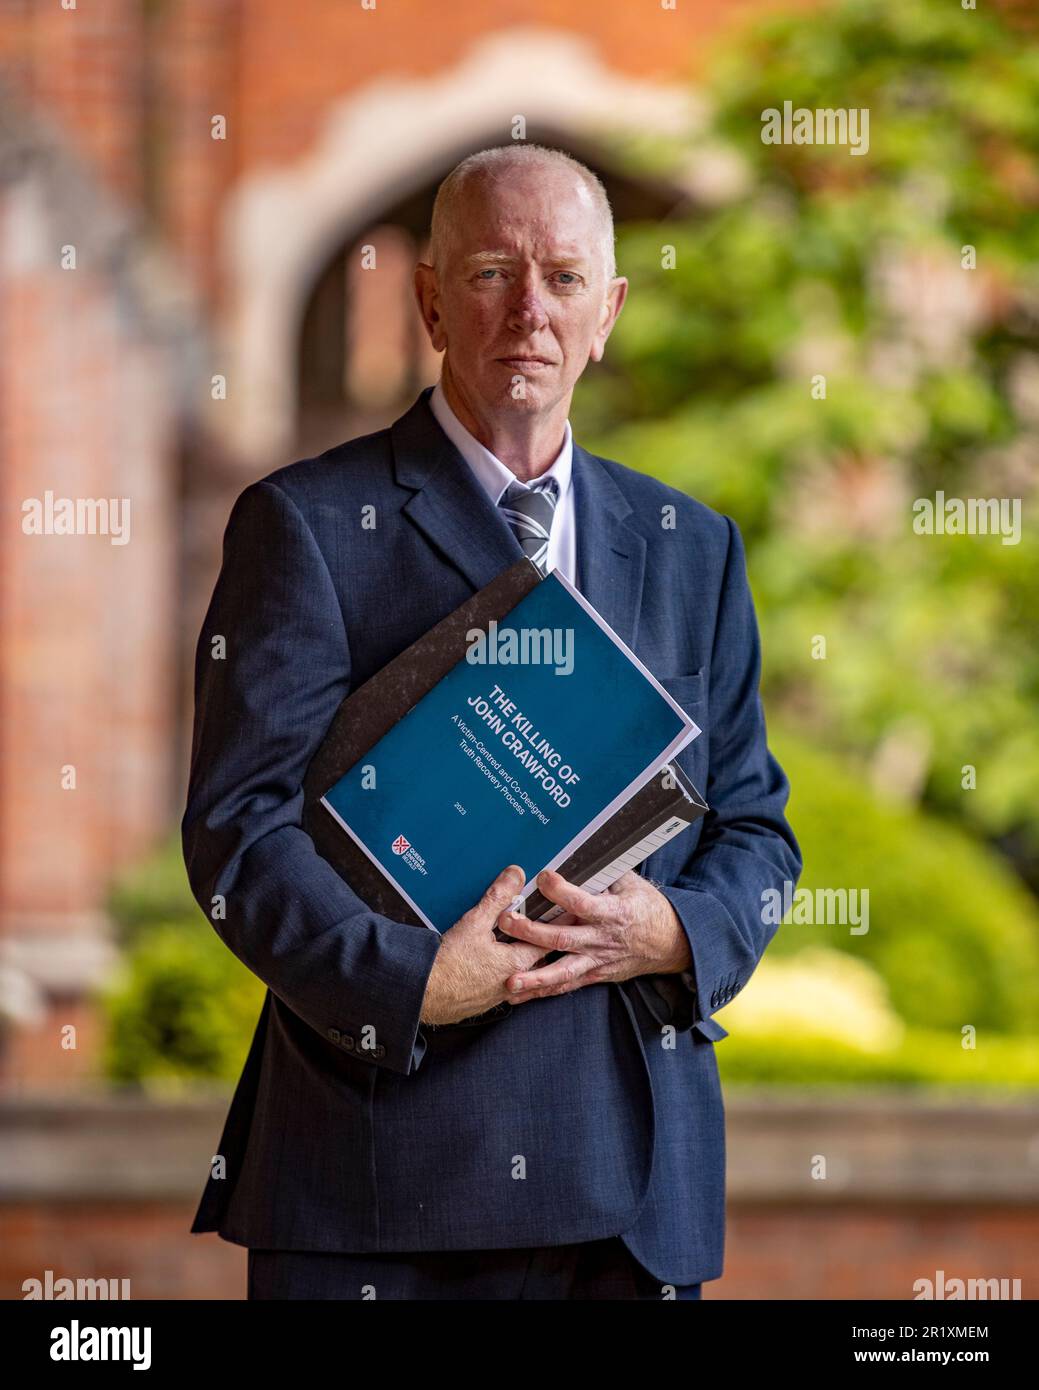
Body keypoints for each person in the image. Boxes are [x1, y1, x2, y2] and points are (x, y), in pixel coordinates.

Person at [183, 143, 802, 1300]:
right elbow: (237, 833)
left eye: (564, 279)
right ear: (428, 299)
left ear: (607, 312)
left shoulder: (693, 548)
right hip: (381, 1181)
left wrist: (674, 931)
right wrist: (414, 981)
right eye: (489, 274)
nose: (530, 309)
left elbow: (759, 832)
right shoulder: (307, 525)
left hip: (628, 1193)